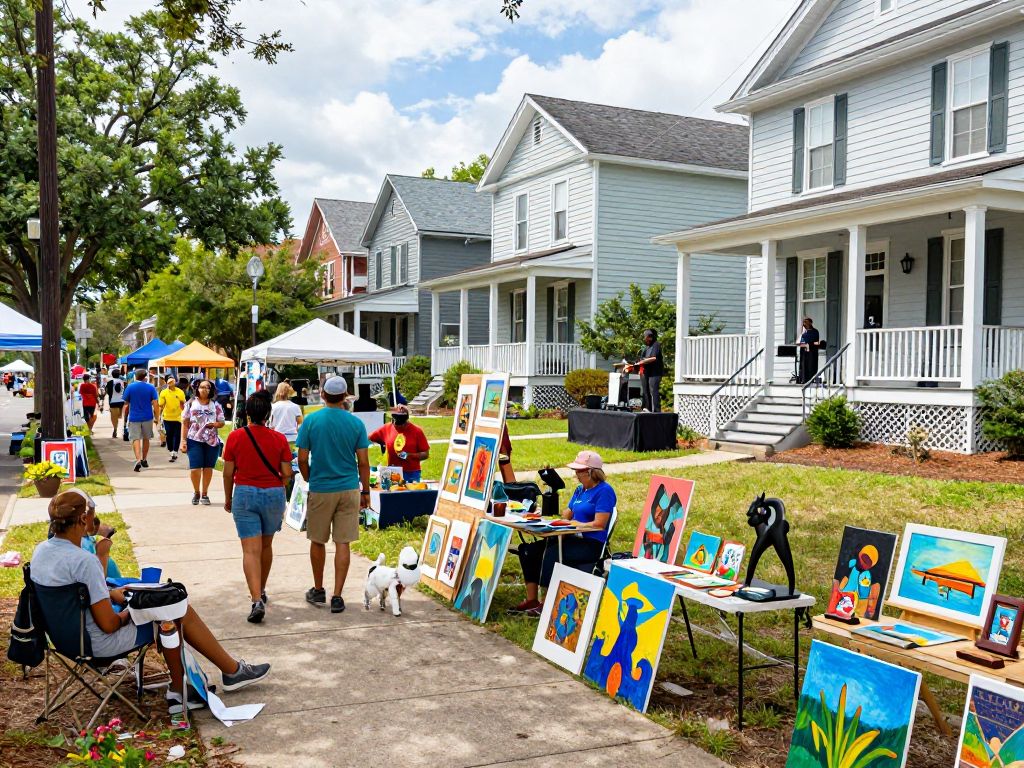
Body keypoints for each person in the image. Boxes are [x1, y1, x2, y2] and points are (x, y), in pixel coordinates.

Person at [32, 490, 271, 715]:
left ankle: (227, 672)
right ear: (83, 519)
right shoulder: (85, 561)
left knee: (168, 608)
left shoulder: (40, 552)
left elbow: (71, 592)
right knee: (174, 613)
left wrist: (109, 592)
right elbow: (109, 624)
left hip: (63, 640)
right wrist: (132, 608)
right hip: (96, 644)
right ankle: (185, 691)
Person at [295, 376, 370, 614]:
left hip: (321, 487)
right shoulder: (356, 423)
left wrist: (308, 477)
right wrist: (365, 490)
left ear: (323, 395)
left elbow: (302, 458)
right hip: (349, 488)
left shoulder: (311, 421)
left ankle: (318, 589)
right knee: (343, 542)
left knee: (317, 540)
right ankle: (338, 595)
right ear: (346, 396)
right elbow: (364, 462)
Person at [512, 450, 615, 616]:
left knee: (551, 552)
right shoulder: (580, 490)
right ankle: (532, 599)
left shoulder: (604, 491)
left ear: (590, 472)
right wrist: (556, 518)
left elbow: (599, 524)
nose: (576, 475)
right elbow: (568, 512)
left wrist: (575, 524)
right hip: (570, 537)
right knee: (527, 550)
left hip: (590, 544)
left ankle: (546, 603)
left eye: (579, 471)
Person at [222, 391, 293, 624]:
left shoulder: (235, 437)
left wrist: (228, 498)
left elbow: (228, 472)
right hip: (273, 494)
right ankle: (261, 588)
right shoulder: (279, 439)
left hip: (244, 494)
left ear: (247, 414)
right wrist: (278, 486)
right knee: (266, 545)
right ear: (268, 414)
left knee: (250, 550)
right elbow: (287, 474)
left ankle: (255, 599)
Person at [180, 379, 225, 506]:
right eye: (202, 387)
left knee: (208, 467)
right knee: (195, 468)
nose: (205, 389)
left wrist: (215, 424)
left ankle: (205, 493)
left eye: (208, 387)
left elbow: (221, 422)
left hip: (211, 440)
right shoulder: (190, 404)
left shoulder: (215, 405)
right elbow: (185, 422)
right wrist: (183, 441)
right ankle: (196, 492)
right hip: (194, 439)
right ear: (197, 389)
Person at [367, 405, 429, 483]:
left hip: (411, 473)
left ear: (406, 420)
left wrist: (409, 455)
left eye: (401, 424)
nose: (397, 426)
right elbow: (369, 438)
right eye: (395, 423)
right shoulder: (387, 428)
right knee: (392, 493)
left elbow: (425, 454)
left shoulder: (417, 431)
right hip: (392, 471)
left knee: (410, 494)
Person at [123, 369, 159, 473]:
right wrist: (157, 417)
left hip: (134, 417)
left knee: (135, 438)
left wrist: (125, 418)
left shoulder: (130, 387)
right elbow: (155, 404)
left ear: (136, 376)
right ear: (145, 376)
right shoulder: (151, 387)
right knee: (146, 438)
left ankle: (138, 459)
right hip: (148, 417)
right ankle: (144, 459)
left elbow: (126, 403)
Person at [633, 328, 664, 413]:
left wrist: (641, 362)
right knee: (645, 390)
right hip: (647, 372)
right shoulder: (646, 348)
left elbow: (653, 358)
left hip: (655, 373)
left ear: (650, 337)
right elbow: (642, 359)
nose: (644, 338)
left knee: (653, 391)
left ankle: (657, 412)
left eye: (645, 336)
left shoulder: (656, 345)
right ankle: (648, 409)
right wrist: (637, 364)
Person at [158, 376, 186, 463]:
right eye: (169, 383)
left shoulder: (180, 392)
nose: (171, 384)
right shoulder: (164, 392)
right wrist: (159, 416)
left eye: (172, 382)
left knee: (177, 435)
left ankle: (175, 452)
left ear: (175, 383)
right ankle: (171, 450)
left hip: (178, 417)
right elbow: (161, 404)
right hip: (167, 417)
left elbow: (183, 402)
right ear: (167, 383)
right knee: (169, 435)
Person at [796, 317, 821, 384]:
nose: (805, 323)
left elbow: (817, 343)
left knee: (812, 367)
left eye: (806, 322)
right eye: (804, 322)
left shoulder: (815, 332)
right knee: (804, 366)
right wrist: (802, 344)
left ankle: (812, 380)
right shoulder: (804, 333)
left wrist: (810, 344)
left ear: (810, 323)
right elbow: (801, 343)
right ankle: (804, 380)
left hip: (812, 353)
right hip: (805, 353)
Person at [105, 368, 126, 438]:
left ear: (112, 375)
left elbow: (107, 391)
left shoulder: (110, 382)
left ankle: (115, 428)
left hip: (113, 402)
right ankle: (124, 429)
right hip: (121, 401)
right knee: (121, 416)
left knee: (114, 418)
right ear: (119, 375)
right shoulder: (123, 382)